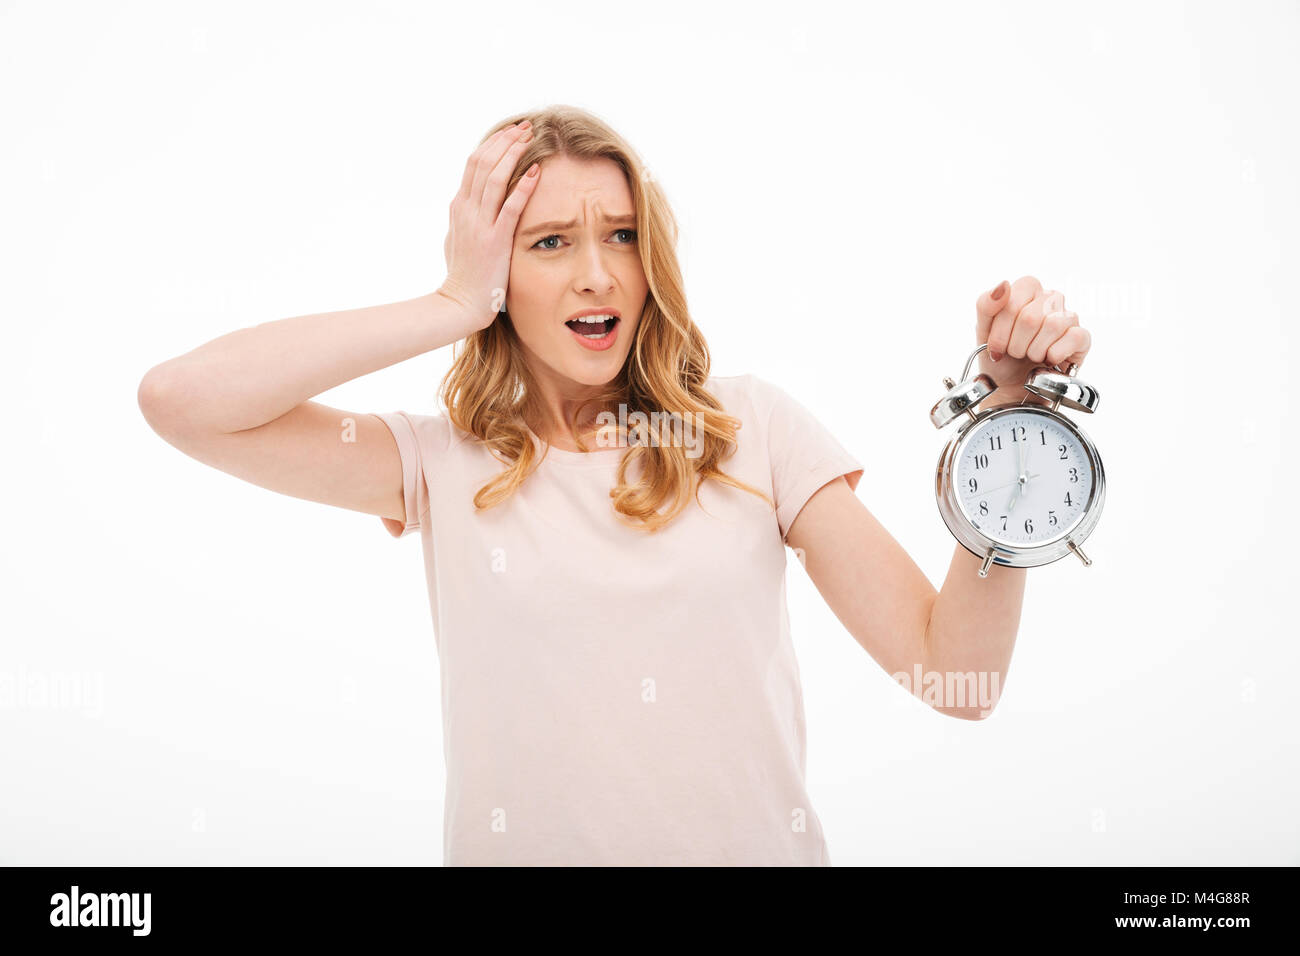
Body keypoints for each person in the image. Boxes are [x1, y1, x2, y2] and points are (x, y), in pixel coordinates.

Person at [137, 103, 1093, 866]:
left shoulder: (750, 431)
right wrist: (447, 305)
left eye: (623, 235)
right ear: (498, 270)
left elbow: (953, 675)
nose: (597, 274)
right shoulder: (437, 462)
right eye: (550, 241)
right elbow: (182, 400)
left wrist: (1011, 426)